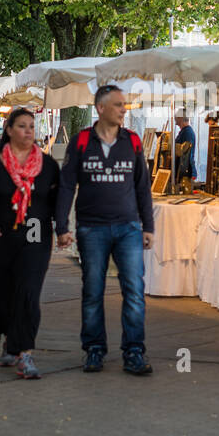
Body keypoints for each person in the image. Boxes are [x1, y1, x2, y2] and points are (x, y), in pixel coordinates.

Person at [55, 84, 155, 376]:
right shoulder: (82, 141)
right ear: (100, 108)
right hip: (91, 229)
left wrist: (148, 226)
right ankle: (94, 351)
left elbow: (142, 187)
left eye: (124, 105)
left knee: (134, 291)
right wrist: (62, 226)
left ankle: (134, 352)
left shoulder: (133, 141)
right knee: (93, 291)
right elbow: (65, 185)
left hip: (128, 229)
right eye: (118, 105)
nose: (124, 109)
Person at [0, 107, 61, 379]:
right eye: (22, 126)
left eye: (31, 126)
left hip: (36, 239)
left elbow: (58, 201)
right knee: (0, 293)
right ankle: (10, 342)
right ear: (9, 130)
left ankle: (25, 353)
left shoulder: (47, 166)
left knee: (28, 292)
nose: (28, 131)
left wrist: (66, 229)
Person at [173, 109, 197, 181]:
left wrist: (171, 146)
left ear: (181, 118)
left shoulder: (187, 132)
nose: (174, 118)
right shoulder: (184, 131)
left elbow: (184, 151)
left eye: (176, 116)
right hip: (182, 170)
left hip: (186, 171)